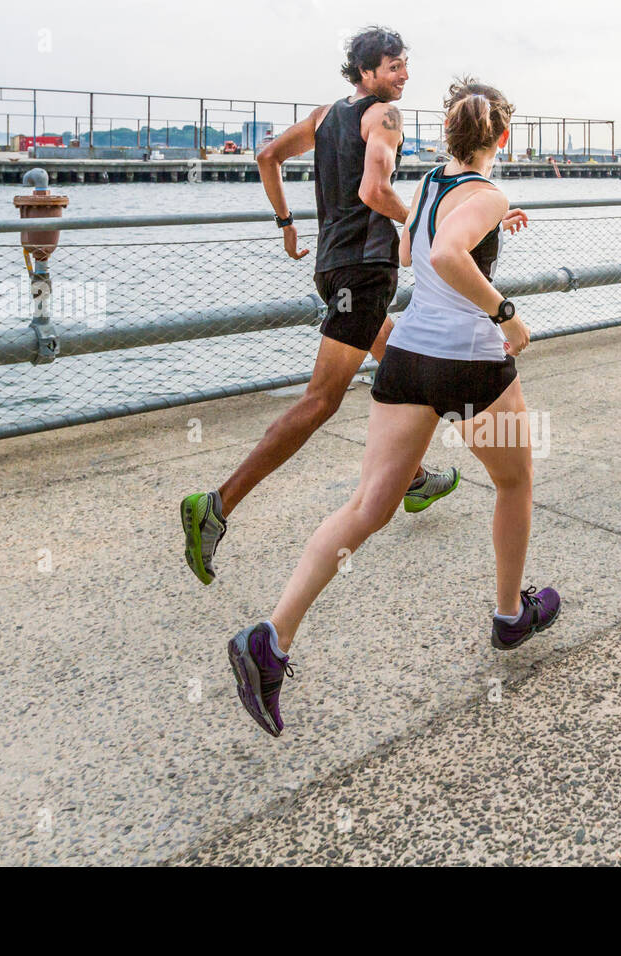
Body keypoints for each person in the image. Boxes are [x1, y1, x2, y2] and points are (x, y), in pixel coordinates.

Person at [227, 78, 559, 739]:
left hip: (407, 357)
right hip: (469, 360)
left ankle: (271, 639)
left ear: (447, 135)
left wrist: (490, 231)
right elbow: (443, 253)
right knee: (515, 483)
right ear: (502, 137)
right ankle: (508, 615)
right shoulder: (489, 191)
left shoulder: (434, 182)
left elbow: (413, 249)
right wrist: (507, 312)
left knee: (367, 508)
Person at [180, 26, 458, 587]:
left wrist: (287, 225)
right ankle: (216, 504)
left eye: (405, 65)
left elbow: (267, 157)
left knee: (405, 361)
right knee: (322, 401)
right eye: (394, 66)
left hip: (332, 269)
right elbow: (375, 191)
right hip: (364, 267)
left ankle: (411, 477)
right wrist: (426, 227)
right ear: (367, 72)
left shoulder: (325, 114)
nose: (403, 75)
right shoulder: (384, 116)